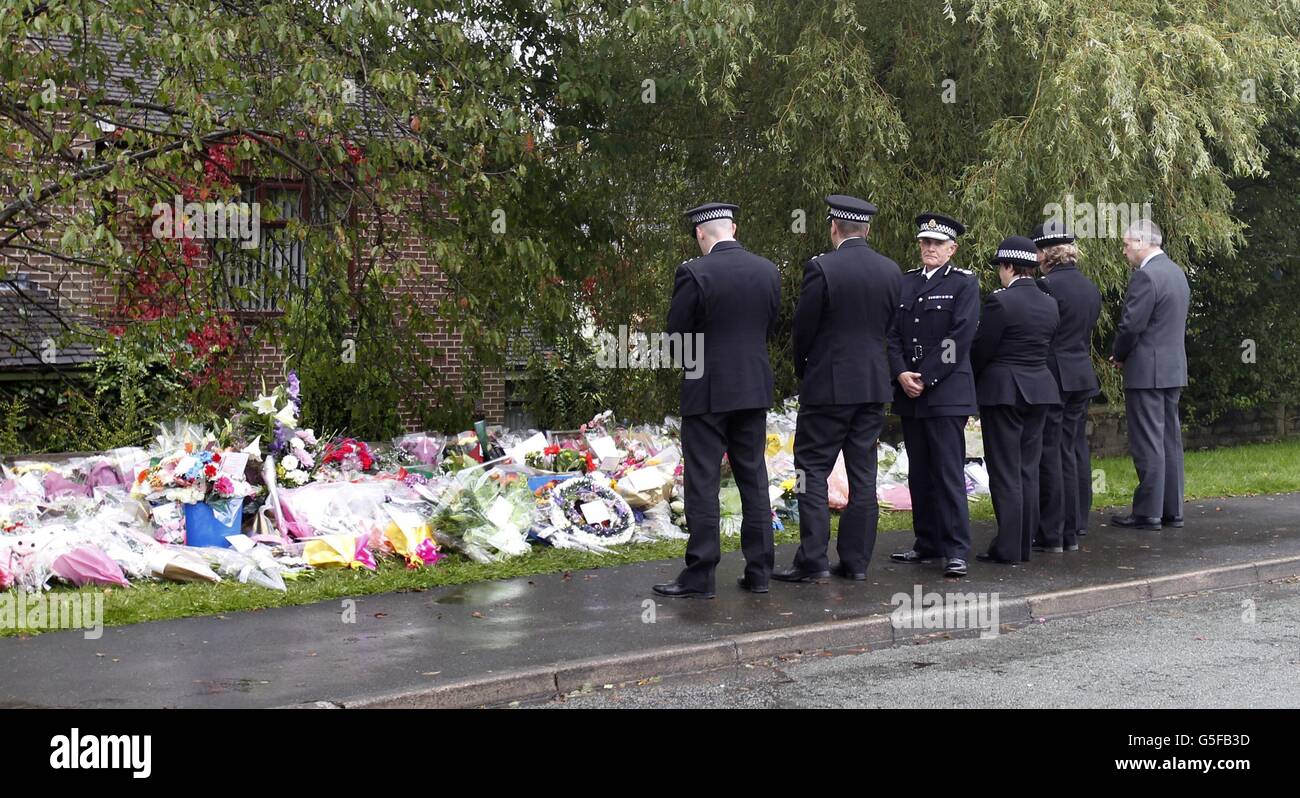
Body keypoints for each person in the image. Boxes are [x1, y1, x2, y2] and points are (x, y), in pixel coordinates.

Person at [653, 202, 782, 598]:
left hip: (707, 390)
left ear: (700, 234)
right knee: (753, 479)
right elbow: (770, 325)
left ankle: (702, 575)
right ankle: (760, 571)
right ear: (733, 228)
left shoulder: (693, 272)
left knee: (703, 482)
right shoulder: (768, 271)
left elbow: (676, 338)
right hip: (752, 389)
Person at [774, 195, 902, 583]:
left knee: (811, 471)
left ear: (834, 227)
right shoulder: (891, 271)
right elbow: (888, 325)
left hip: (828, 384)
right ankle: (856, 562)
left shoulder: (822, 268)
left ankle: (812, 560)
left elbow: (804, 329)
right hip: (872, 383)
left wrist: (804, 371)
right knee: (863, 474)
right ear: (868, 230)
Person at [886, 213, 979, 578]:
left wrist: (926, 376)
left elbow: (960, 337)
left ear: (952, 248)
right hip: (911, 391)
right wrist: (900, 372)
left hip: (946, 392)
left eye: (937, 244)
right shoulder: (905, 283)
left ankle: (955, 549)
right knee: (919, 472)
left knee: (947, 472)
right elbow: (891, 334)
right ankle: (926, 543)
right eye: (925, 242)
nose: (929, 248)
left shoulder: (963, 284)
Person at [972, 236, 1061, 563]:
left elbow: (982, 349)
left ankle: (1008, 547)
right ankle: (1023, 542)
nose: (999, 273)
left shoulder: (1000, 303)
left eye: (1000, 267)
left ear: (1009, 266)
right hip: (1039, 390)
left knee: (1005, 470)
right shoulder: (1049, 302)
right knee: (1027, 469)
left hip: (1004, 392)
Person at [1109, 219, 1190, 531]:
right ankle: (1172, 510)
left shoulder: (1146, 277)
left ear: (1143, 243)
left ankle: (1148, 512)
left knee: (1148, 443)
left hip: (1146, 370)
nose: (1125, 249)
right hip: (1173, 368)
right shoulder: (1176, 273)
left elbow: (1131, 325)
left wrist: (1120, 353)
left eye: (1127, 244)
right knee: (1170, 440)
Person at [1032, 221, 1102, 551]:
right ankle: (1076, 524)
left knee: (1053, 451)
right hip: (1080, 373)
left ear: (1046, 253)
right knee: (1074, 449)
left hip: (1053, 373)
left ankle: (1054, 529)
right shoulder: (1089, 286)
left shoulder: (1045, 287)